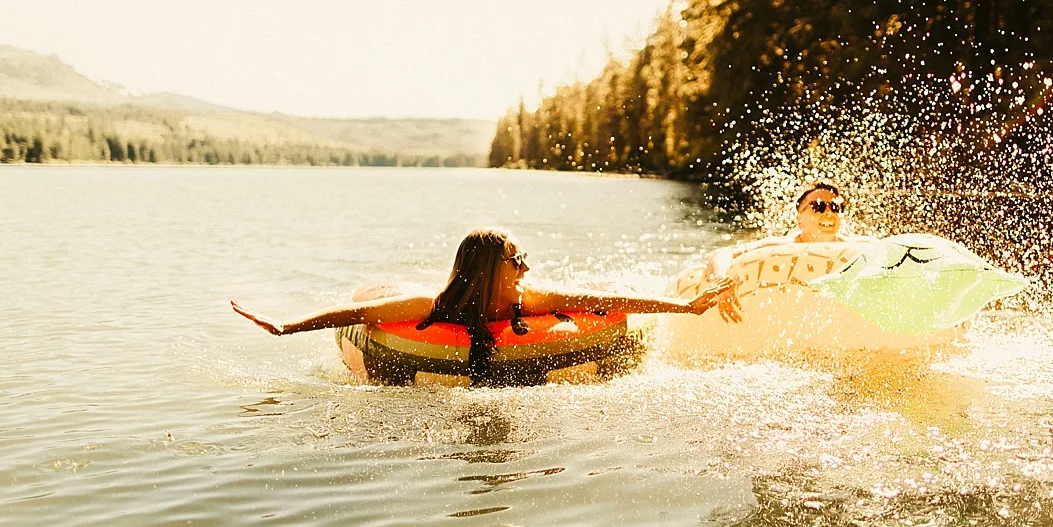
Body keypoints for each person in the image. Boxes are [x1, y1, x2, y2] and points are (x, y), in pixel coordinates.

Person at [231, 227, 740, 341]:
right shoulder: (433, 303)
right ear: (492, 269)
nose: (527, 267)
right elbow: (358, 313)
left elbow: (607, 299)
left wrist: (686, 307)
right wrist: (286, 326)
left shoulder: (531, 299)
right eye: (518, 259)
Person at [701, 182, 868, 322]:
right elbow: (721, 254)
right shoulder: (780, 246)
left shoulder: (859, 245)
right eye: (818, 206)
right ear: (799, 219)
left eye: (835, 207)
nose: (828, 213)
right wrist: (720, 282)